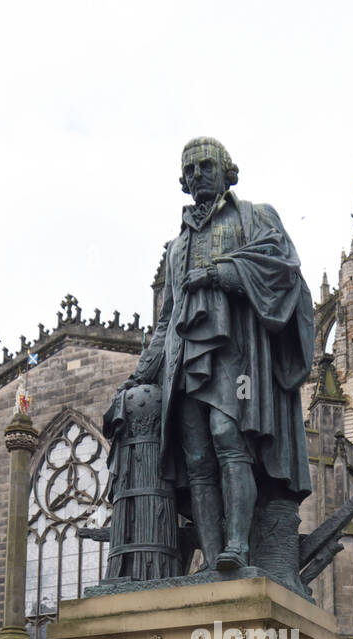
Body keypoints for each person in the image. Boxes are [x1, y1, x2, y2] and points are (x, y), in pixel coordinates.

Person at [122, 137, 315, 596]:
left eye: (207, 165)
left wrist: (221, 274)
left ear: (228, 170)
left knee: (230, 439)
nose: (197, 175)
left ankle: (237, 549)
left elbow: (282, 267)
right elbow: (166, 318)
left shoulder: (255, 215)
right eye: (188, 170)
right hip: (185, 360)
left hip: (239, 357)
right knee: (196, 459)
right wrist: (138, 377)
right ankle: (212, 561)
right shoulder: (175, 247)